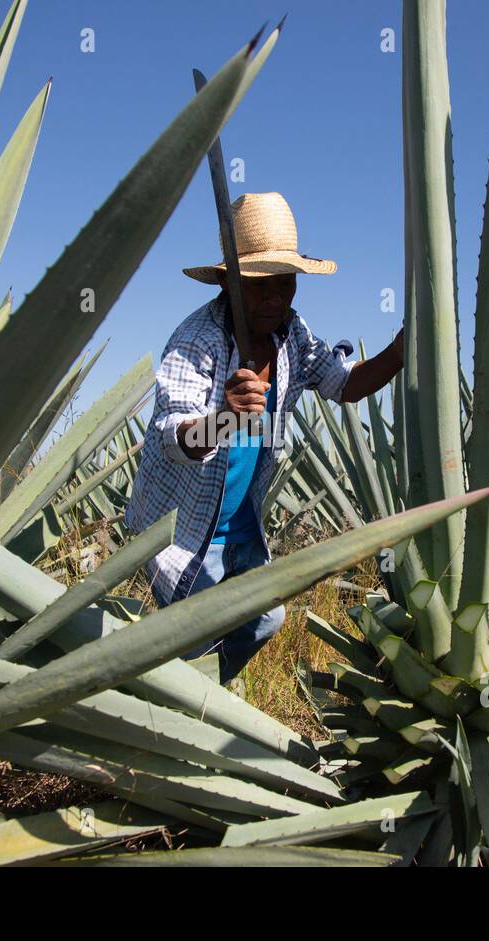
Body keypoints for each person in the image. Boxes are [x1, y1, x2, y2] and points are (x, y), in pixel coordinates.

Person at [125, 191, 404, 687]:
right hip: (186, 527)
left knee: (263, 620)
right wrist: (223, 415)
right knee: (196, 638)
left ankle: (197, 696)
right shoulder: (198, 341)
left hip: (241, 521)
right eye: (262, 285)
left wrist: (401, 351)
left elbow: (345, 383)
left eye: (286, 283)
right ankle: (179, 712)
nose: (277, 298)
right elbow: (173, 436)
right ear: (231, 282)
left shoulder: (290, 334)